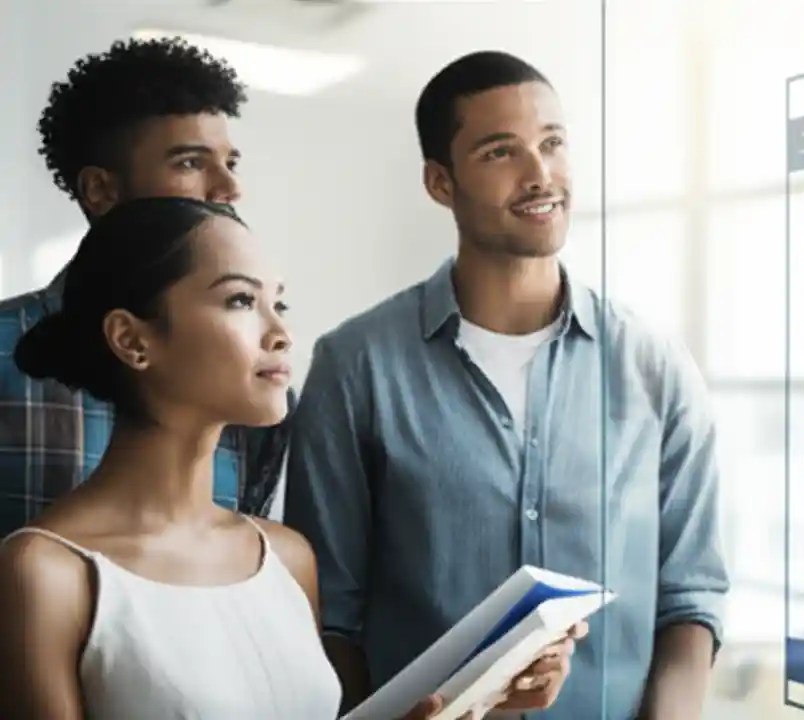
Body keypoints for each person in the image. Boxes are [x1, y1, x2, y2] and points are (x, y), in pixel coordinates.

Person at [284, 50, 729, 719]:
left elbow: (691, 599)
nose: (540, 174)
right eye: (501, 153)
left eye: (552, 143)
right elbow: (331, 617)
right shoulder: (356, 367)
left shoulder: (654, 365)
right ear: (440, 182)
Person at [0, 198, 477, 719]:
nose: (281, 333)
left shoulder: (287, 559)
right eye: (240, 301)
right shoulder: (47, 573)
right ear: (132, 340)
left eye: (280, 303)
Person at [0, 37, 290, 536]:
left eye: (230, 162)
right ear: (101, 189)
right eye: (190, 162)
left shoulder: (252, 372)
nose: (228, 188)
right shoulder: (4, 350)